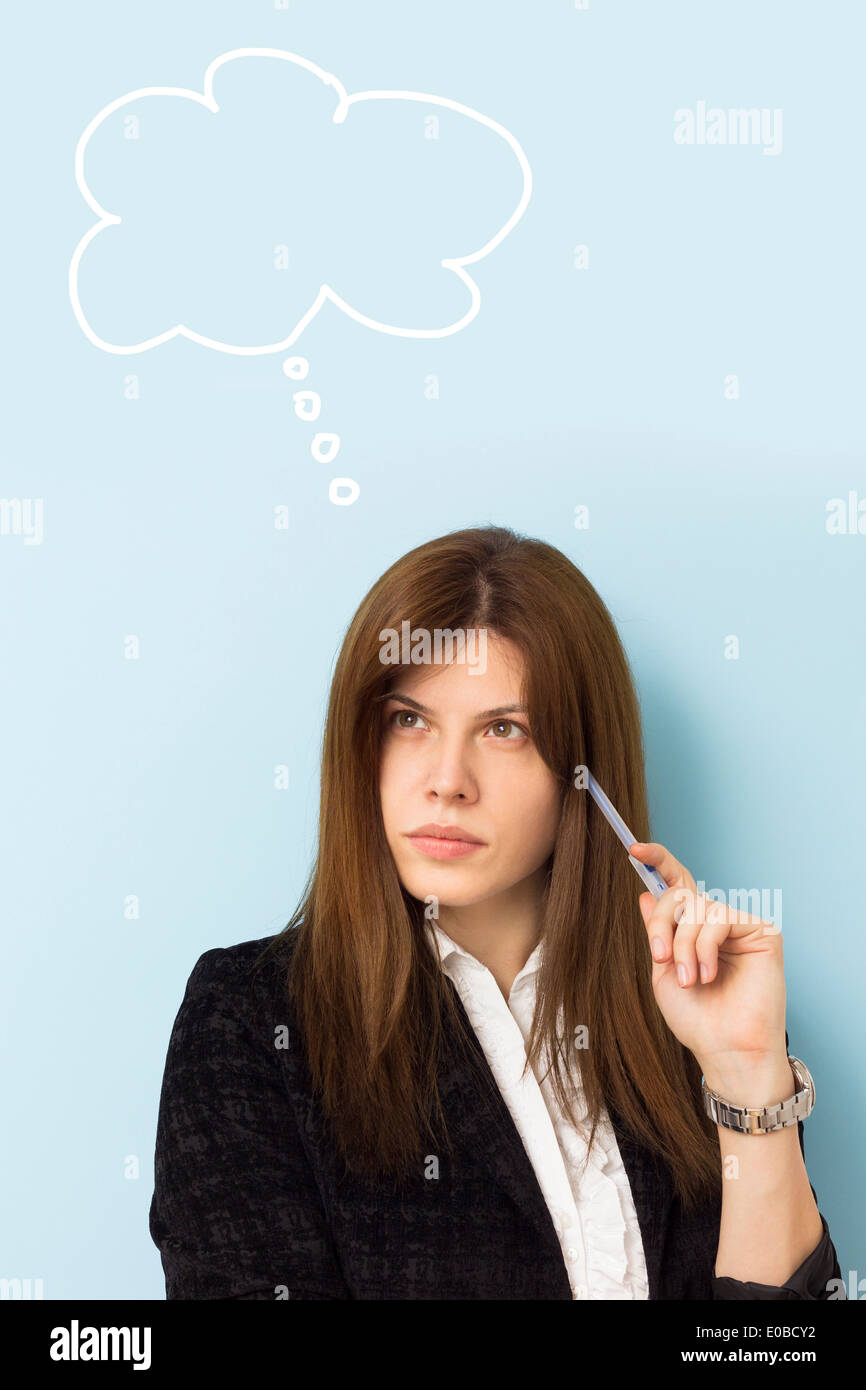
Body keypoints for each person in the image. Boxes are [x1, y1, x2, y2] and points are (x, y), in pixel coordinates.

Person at [149, 524, 843, 1299]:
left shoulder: (683, 1017)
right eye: (408, 720)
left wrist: (748, 1075)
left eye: (504, 730)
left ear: (582, 775)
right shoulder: (250, 1019)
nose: (447, 780)